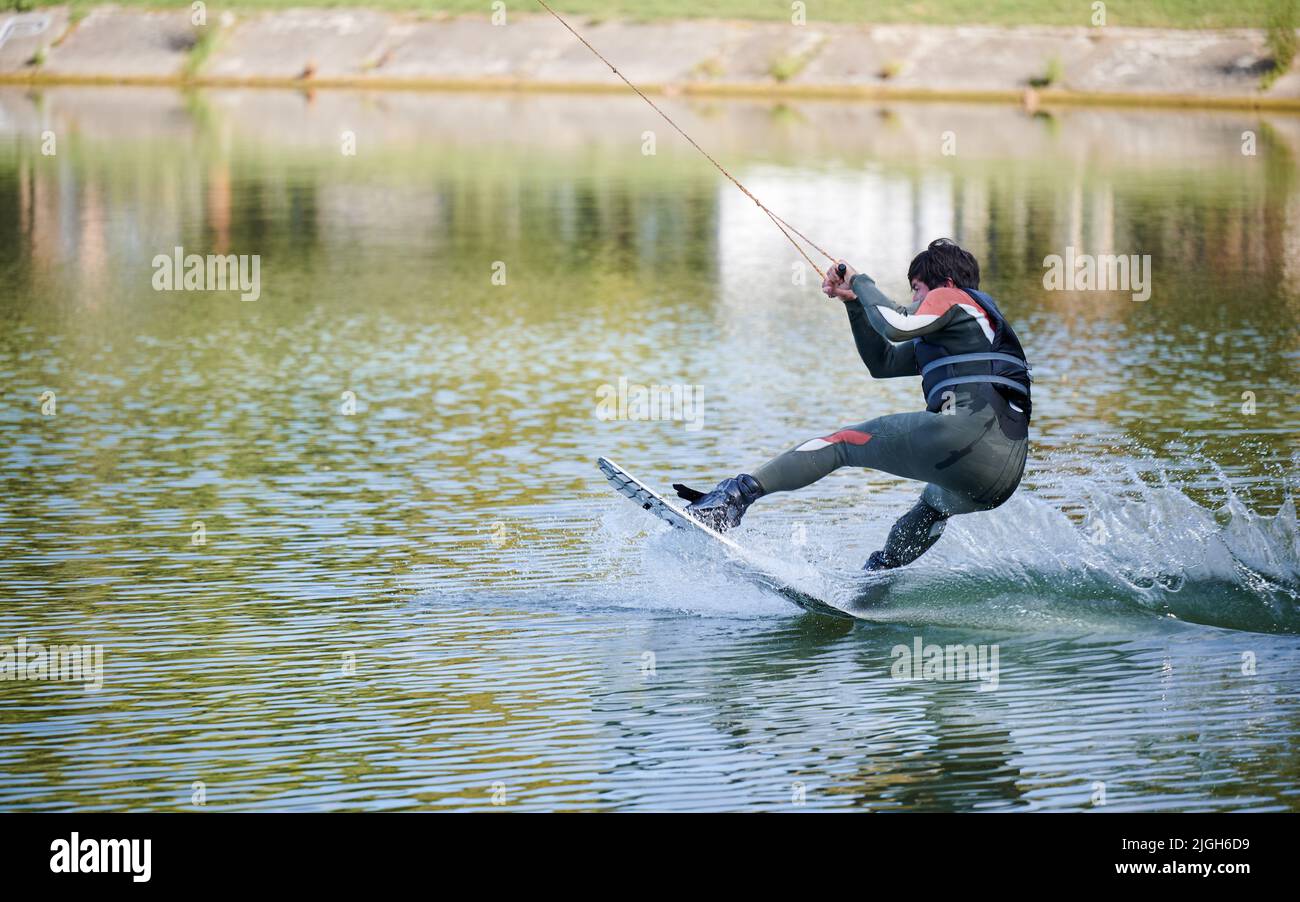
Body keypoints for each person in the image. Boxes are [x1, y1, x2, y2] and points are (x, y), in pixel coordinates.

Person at [676, 239, 1031, 570]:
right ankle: (879, 575)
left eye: (917, 289)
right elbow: (884, 364)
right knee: (931, 507)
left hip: (963, 436)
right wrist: (853, 305)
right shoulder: (973, 334)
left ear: (945, 283)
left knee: (843, 444)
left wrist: (861, 281)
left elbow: (896, 324)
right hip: (999, 475)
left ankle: (730, 499)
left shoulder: (951, 297)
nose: (917, 299)